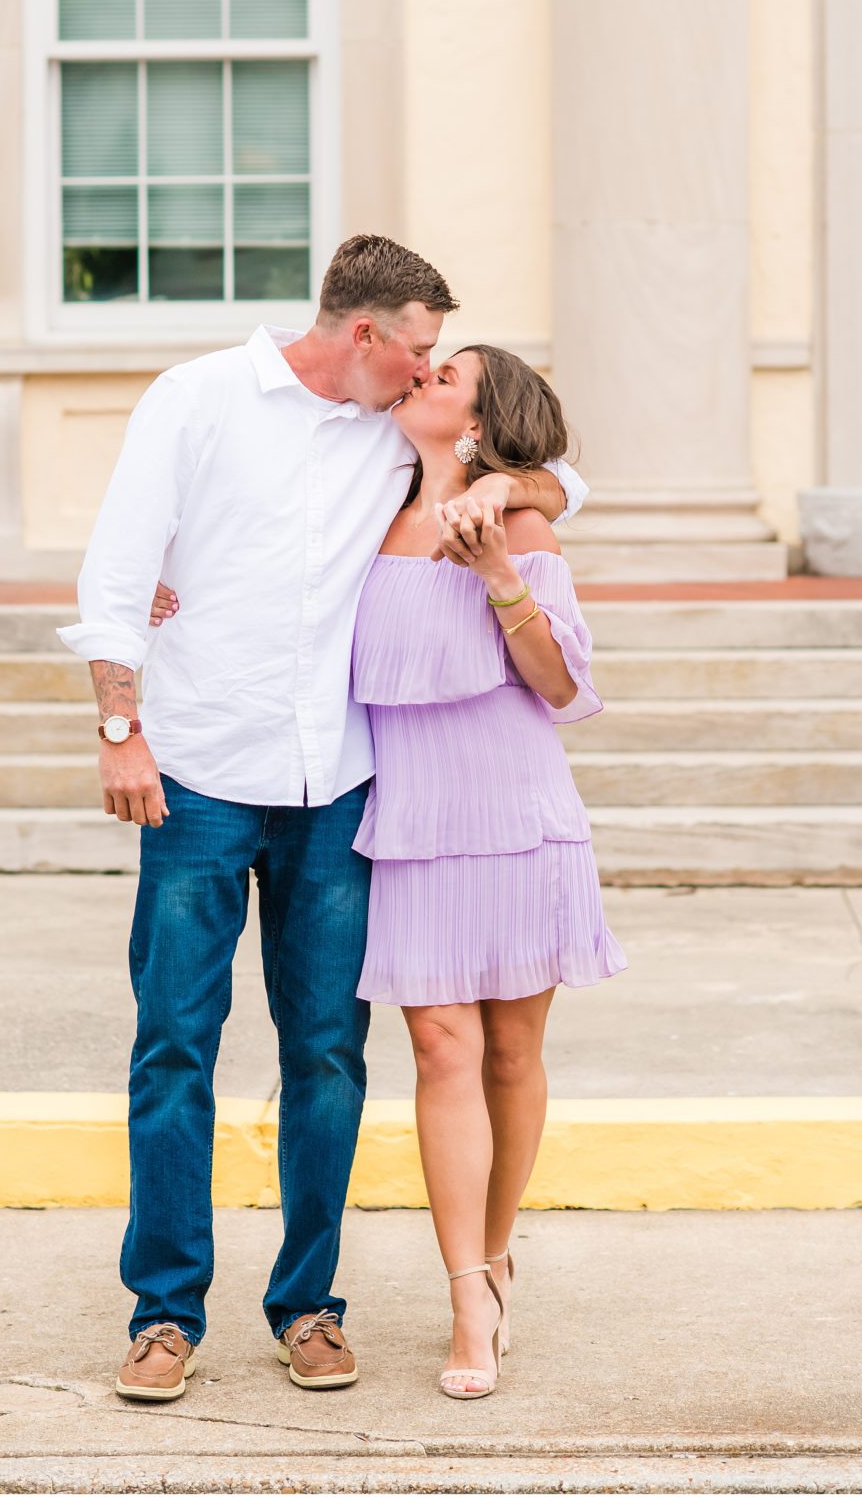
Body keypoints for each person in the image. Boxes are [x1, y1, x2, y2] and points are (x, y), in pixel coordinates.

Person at [56, 235, 588, 1401]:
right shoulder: (195, 399)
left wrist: (507, 487)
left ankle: (308, 1305)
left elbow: (551, 475)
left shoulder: (393, 430)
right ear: (365, 333)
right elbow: (116, 573)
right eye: (420, 347)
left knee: (328, 1056)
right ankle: (164, 1311)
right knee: (174, 1044)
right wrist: (120, 726)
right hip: (198, 772)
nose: (427, 368)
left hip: (339, 781)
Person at [350, 342, 626, 1399]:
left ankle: (497, 1255)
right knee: (439, 1045)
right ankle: (468, 1291)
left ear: (476, 423)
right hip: (411, 820)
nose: (421, 376)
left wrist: (501, 574)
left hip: (515, 813)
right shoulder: (368, 511)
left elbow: (560, 684)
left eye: (447, 375)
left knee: (511, 1052)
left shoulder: (522, 525)